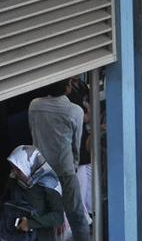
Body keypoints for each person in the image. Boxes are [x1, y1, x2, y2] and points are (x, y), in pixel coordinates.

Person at [27, 80, 89, 240]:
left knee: (45, 217)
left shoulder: (34, 106)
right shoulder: (75, 111)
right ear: (67, 88)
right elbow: (76, 143)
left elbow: (34, 133)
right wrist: (73, 165)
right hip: (65, 168)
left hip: (40, 170)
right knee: (76, 216)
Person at [5, 146, 65, 241]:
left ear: (28, 166)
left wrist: (30, 223)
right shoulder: (14, 179)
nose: (14, 172)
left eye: (18, 170)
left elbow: (58, 216)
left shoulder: (49, 184)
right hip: (15, 234)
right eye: (13, 168)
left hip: (40, 236)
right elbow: (6, 200)